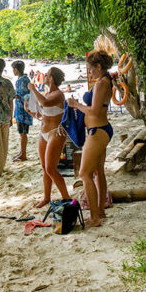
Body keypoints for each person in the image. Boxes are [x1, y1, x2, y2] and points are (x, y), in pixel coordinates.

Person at [67, 51, 114, 227]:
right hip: (100, 130)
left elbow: (94, 111)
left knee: (84, 173)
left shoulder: (102, 83)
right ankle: (100, 211)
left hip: (98, 131)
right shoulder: (105, 81)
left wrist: (76, 105)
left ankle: (94, 218)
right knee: (97, 172)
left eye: (90, 69)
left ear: (98, 66)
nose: (89, 73)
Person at [30, 67, 69, 208]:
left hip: (56, 132)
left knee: (51, 169)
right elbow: (43, 114)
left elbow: (45, 103)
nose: (44, 76)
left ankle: (67, 198)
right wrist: (29, 111)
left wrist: (33, 89)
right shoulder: (47, 93)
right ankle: (46, 198)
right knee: (44, 167)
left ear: (51, 78)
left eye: (46, 75)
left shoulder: (58, 94)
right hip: (44, 132)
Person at [11, 61, 32, 162]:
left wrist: (13, 95)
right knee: (22, 133)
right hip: (21, 110)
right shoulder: (22, 79)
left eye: (13, 69)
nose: (13, 71)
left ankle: (23, 154)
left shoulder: (22, 80)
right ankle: (22, 152)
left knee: (23, 133)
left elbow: (24, 95)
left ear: (16, 69)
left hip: (23, 111)